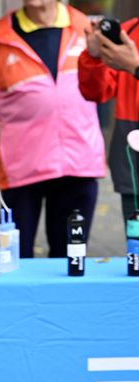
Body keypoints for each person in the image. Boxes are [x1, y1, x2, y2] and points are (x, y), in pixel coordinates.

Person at [0, 0, 105, 258]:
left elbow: (103, 87)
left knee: (69, 257)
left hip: (77, 163)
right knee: (15, 258)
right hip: (23, 163)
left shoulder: (86, 29)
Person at [79, 15, 139, 233]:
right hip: (133, 162)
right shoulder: (127, 32)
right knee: (136, 251)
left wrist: (135, 67)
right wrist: (94, 58)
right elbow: (96, 92)